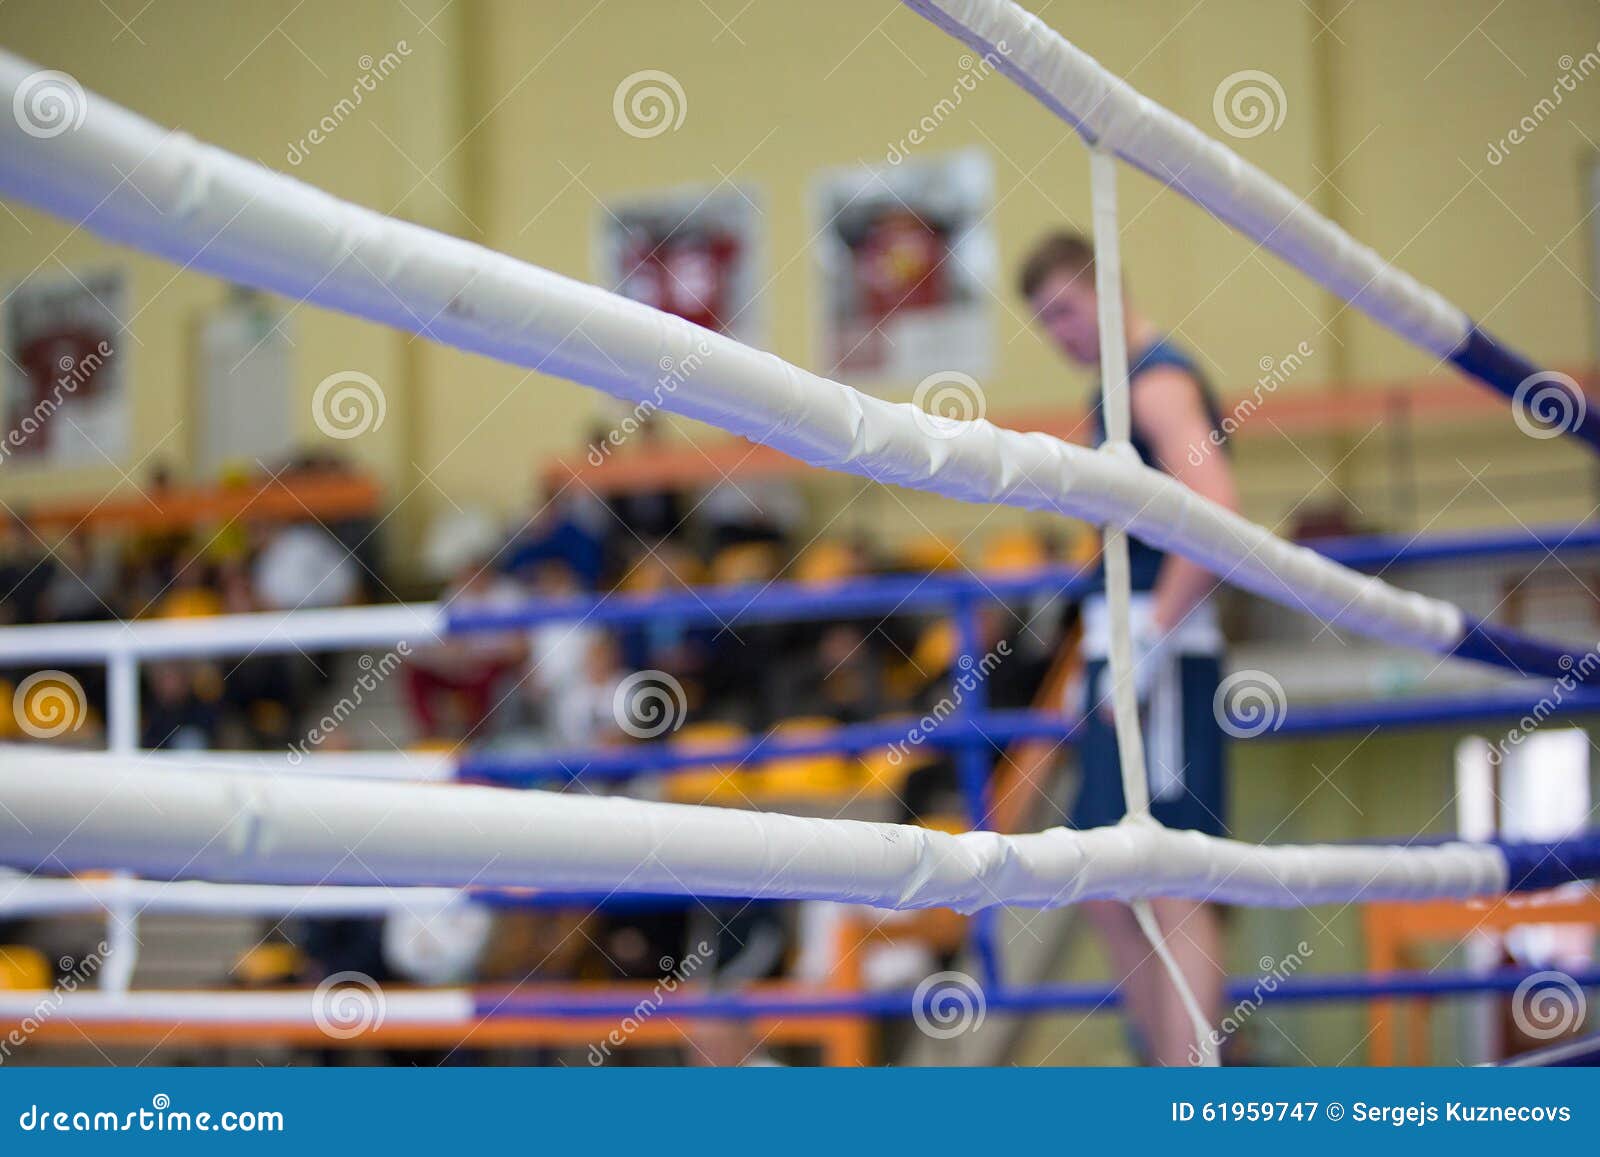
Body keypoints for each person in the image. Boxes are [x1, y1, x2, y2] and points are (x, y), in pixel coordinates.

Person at [1020, 230, 1236, 1066]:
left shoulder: (1156, 381)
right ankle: (1164, 1076)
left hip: (1164, 653)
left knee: (1173, 881)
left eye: (1067, 310)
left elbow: (1215, 512)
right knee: (1110, 887)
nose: (1061, 333)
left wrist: (1151, 633)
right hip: (1125, 650)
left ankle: (1192, 1092)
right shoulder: (1115, 392)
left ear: (1106, 288)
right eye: (1045, 323)